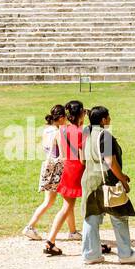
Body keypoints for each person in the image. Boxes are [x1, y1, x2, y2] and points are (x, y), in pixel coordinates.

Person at [79, 106, 135, 264]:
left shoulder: (86, 133)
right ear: (103, 120)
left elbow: (82, 159)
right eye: (108, 117)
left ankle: (91, 255)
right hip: (106, 181)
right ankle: (125, 254)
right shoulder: (105, 135)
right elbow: (110, 161)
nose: (110, 120)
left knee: (91, 217)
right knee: (119, 216)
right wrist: (122, 179)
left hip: (88, 180)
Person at [43, 99, 86, 256]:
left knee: (67, 206)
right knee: (85, 207)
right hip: (78, 170)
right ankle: (92, 241)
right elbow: (82, 158)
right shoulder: (83, 131)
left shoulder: (62, 129)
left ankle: (51, 240)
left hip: (67, 167)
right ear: (81, 113)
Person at [22, 104, 66, 240]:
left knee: (65, 201)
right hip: (57, 168)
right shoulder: (57, 132)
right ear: (61, 118)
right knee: (53, 201)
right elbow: (63, 153)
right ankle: (30, 226)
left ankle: (73, 230)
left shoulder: (46, 130)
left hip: (48, 166)